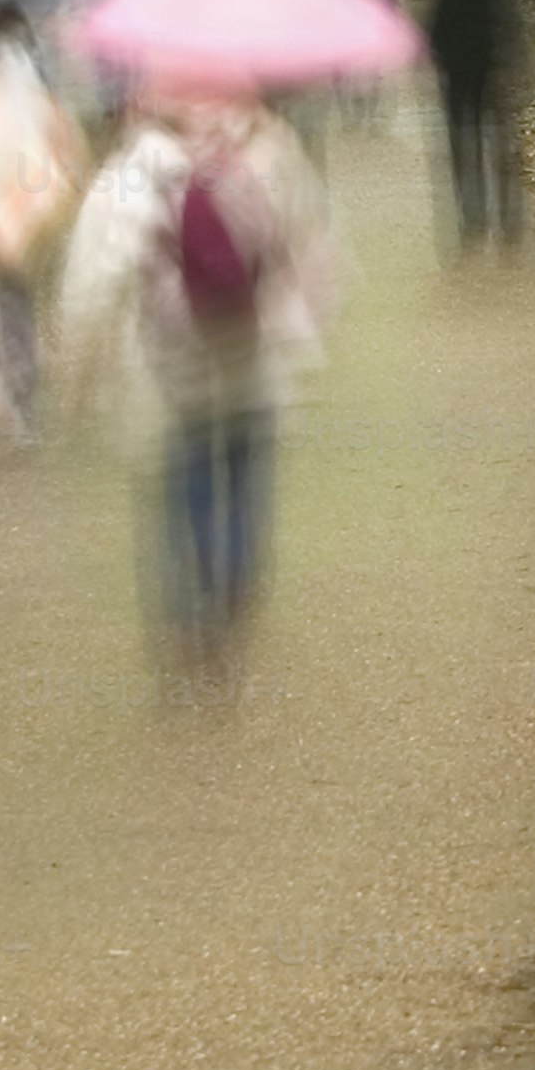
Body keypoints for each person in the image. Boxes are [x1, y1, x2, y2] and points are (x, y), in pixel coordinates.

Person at [56, 78, 337, 697]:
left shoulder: (132, 172)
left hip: (171, 372)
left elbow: (92, 287)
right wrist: (301, 332)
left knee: (181, 489)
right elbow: (313, 250)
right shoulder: (268, 150)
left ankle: (189, 611)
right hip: (253, 363)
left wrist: (74, 384)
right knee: (243, 477)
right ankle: (232, 585)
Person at [426, 0, 522, 248]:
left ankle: (471, 216)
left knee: (462, 140)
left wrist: (435, 49)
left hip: (457, 55)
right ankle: (508, 217)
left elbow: (441, 4)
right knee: (498, 135)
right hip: (488, 49)